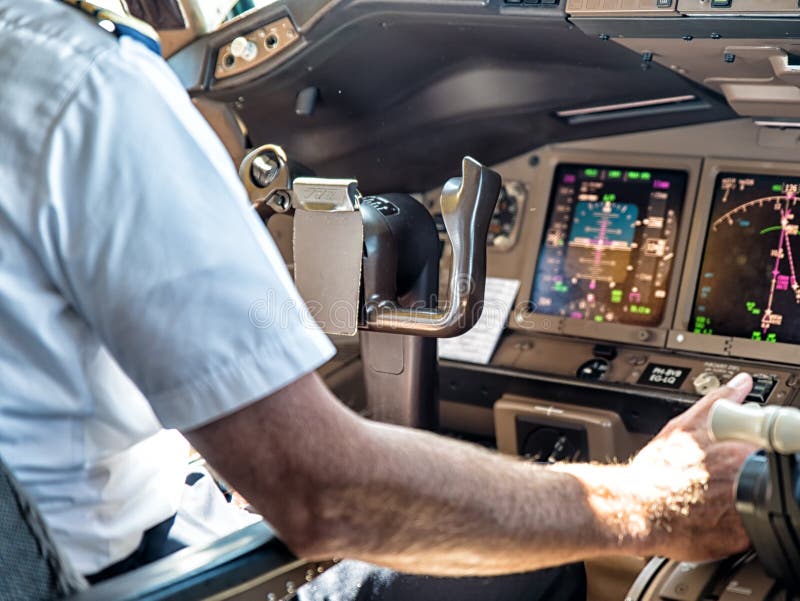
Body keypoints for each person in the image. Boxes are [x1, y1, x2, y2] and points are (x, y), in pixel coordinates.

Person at [0, 1, 757, 599]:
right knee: (541, 571)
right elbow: (319, 492)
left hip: (81, 538)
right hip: (124, 573)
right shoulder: (83, 83)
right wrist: (648, 503)